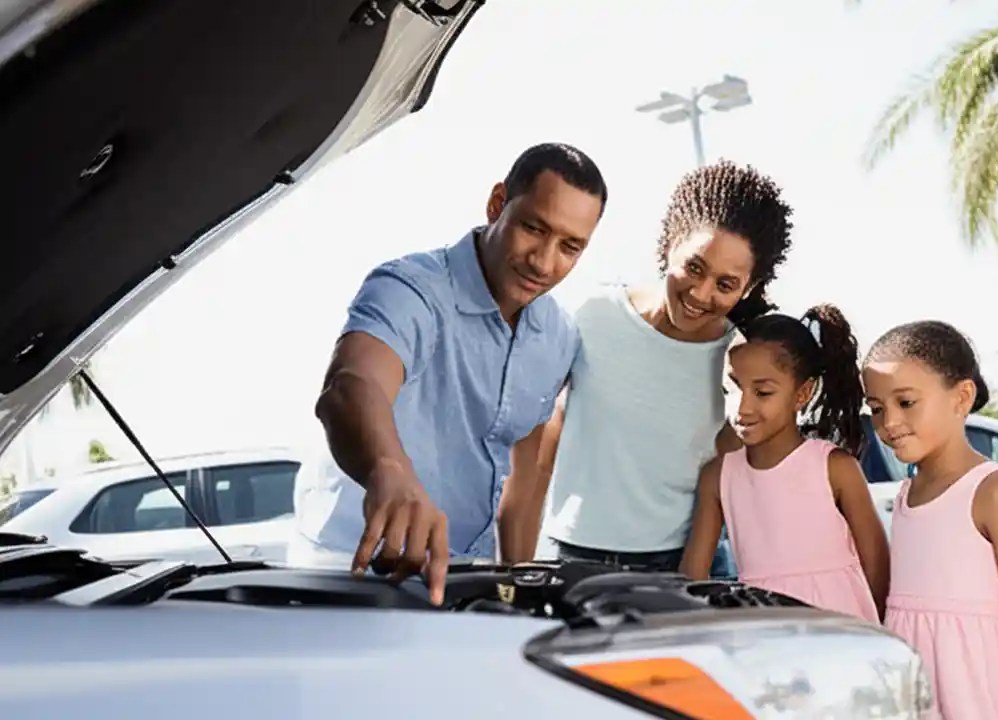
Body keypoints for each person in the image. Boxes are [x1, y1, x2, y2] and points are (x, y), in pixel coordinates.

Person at [288, 143, 608, 604]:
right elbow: (351, 386)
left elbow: (524, 481)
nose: (543, 261)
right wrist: (388, 470)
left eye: (569, 247)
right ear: (497, 204)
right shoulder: (409, 289)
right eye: (533, 228)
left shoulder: (559, 336)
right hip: (349, 573)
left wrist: (519, 588)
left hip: (462, 582)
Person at [499, 159, 794, 573]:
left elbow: (728, 486)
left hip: (680, 566)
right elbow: (536, 456)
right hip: (570, 557)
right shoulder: (594, 316)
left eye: (725, 284)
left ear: (750, 287)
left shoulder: (739, 362)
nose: (700, 293)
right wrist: (515, 571)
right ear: (671, 243)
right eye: (694, 267)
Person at [862, 320, 998, 720]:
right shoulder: (906, 494)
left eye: (906, 402)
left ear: (961, 397)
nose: (889, 422)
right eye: (877, 409)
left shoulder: (993, 492)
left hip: (976, 697)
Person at [679, 304, 889, 622]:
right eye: (732, 388)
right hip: (766, 630)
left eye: (762, 392)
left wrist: (876, 634)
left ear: (802, 393)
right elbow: (693, 577)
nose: (742, 407)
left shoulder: (834, 467)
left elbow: (876, 563)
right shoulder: (718, 476)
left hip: (840, 628)